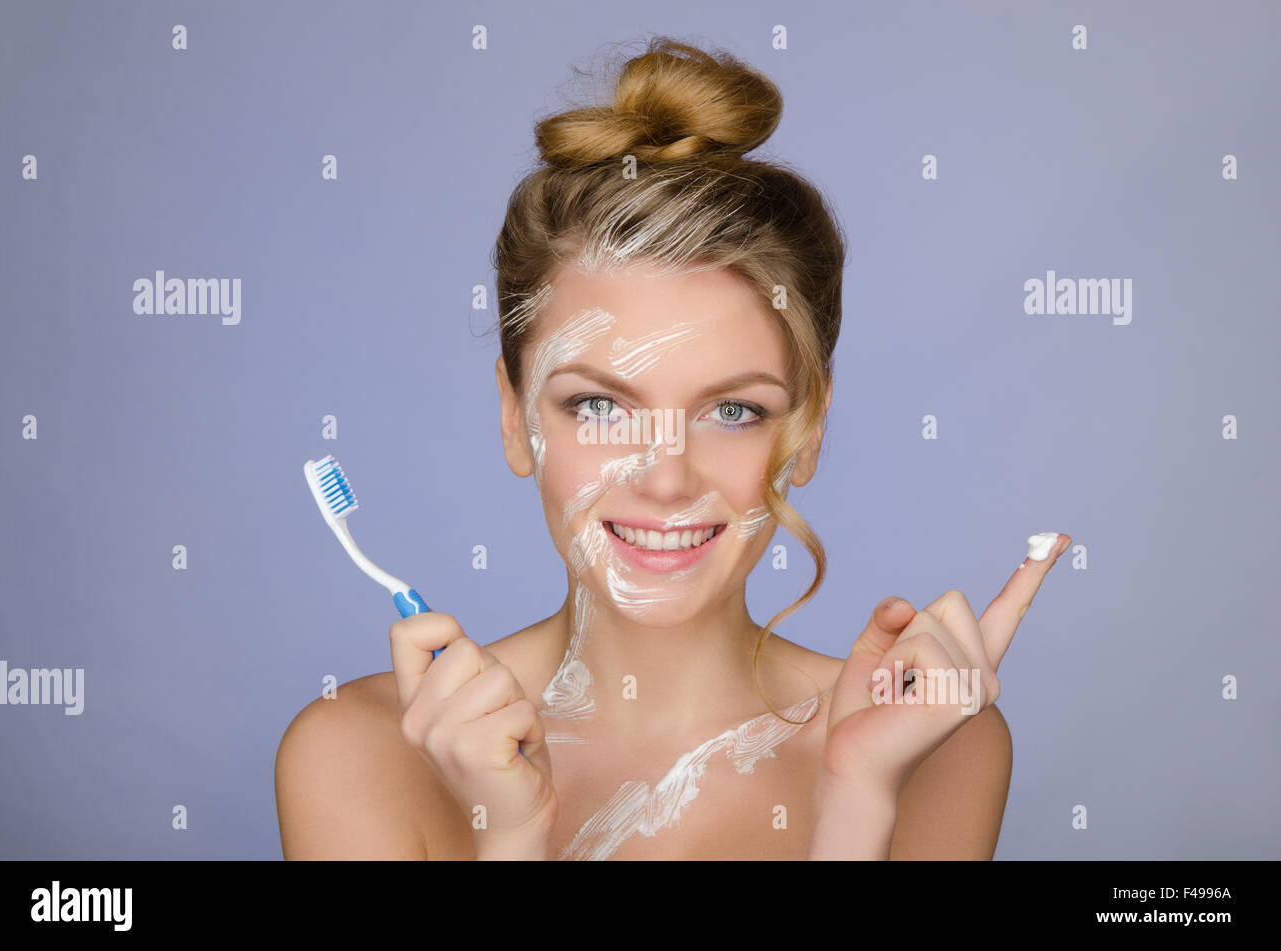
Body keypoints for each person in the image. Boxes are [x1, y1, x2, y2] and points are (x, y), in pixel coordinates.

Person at [275, 36, 1068, 860]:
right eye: (598, 405)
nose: (664, 476)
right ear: (515, 419)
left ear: (810, 429)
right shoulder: (357, 755)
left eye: (732, 409)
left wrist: (858, 796)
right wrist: (509, 833)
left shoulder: (936, 741)